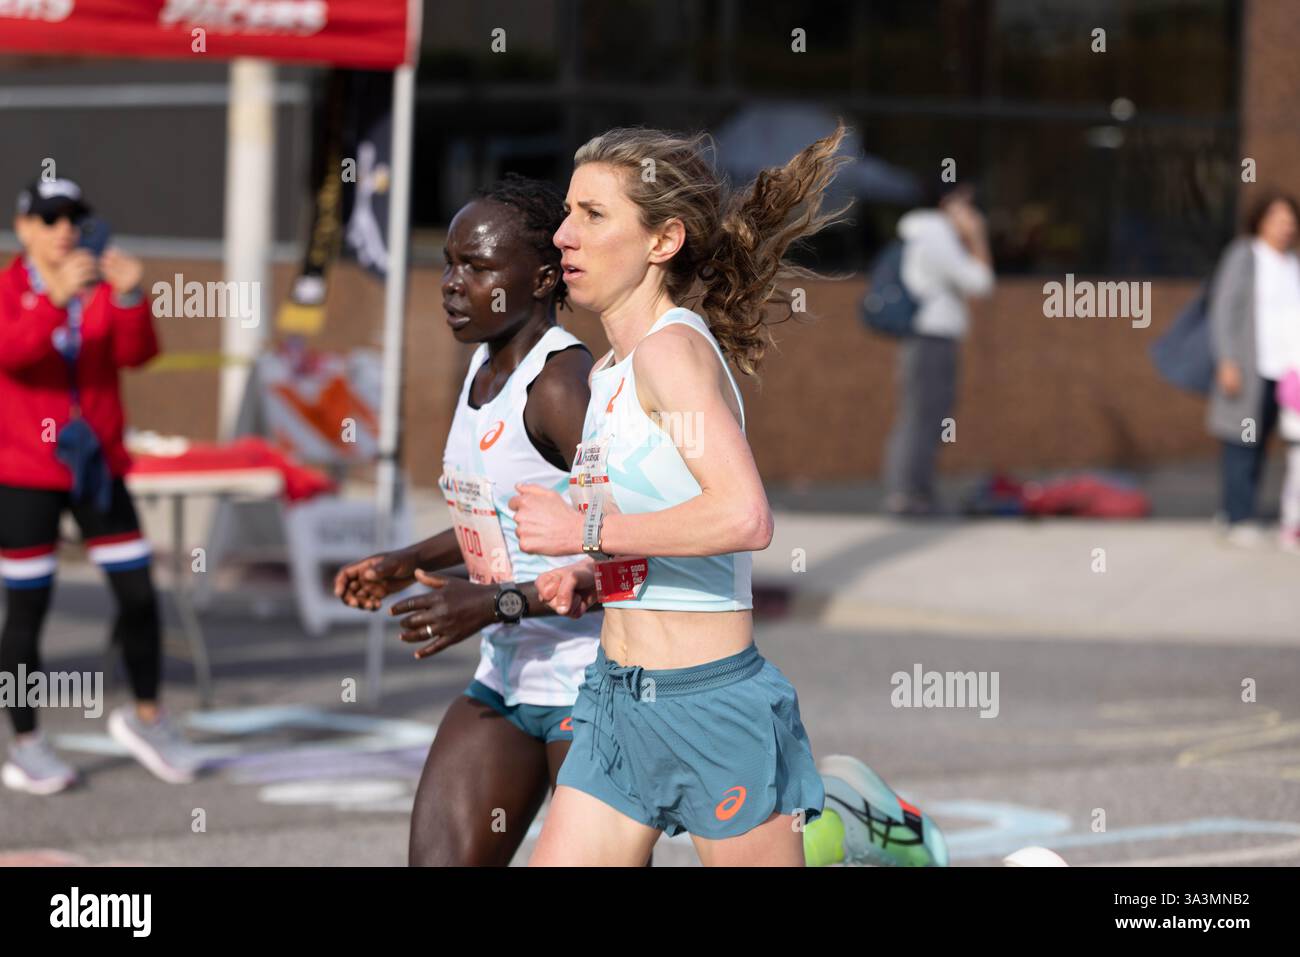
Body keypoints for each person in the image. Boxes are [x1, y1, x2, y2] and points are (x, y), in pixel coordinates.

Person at [507, 124, 853, 866]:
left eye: (593, 216)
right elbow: (656, 526)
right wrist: (595, 575)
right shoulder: (608, 373)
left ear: (663, 240)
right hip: (615, 702)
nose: (564, 234)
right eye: (568, 212)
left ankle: (879, 838)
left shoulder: (672, 352)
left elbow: (744, 515)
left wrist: (585, 532)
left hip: (710, 706)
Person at [332, 175, 606, 866]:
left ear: (543, 277)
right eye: (450, 264)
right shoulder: (486, 366)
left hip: (593, 686)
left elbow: (635, 553)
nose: (454, 284)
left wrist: (493, 603)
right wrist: (404, 561)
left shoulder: (560, 386)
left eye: (478, 267)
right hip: (507, 677)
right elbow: (507, 519)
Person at [0, 177, 202, 794]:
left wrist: (133, 295)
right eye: (51, 217)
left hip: (97, 467)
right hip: (24, 471)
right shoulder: (12, 289)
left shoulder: (96, 288)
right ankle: (27, 742)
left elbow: (138, 354)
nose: (65, 229)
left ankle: (147, 718)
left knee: (139, 596)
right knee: (28, 609)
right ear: (25, 228)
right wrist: (50, 300)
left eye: (74, 217)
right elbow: (11, 353)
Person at [883, 181, 994, 516]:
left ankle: (915, 491)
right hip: (930, 338)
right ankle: (909, 493)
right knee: (923, 415)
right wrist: (976, 236)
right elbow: (981, 282)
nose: (971, 213)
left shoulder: (924, 231)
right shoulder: (934, 232)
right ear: (947, 202)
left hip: (929, 338)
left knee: (926, 414)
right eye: (965, 204)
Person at [1206, 190, 1300, 546]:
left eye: (1290, 220)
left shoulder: (1293, 263)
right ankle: (1237, 516)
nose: (1285, 227)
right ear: (1261, 220)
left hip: (1286, 371)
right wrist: (1227, 359)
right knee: (1242, 441)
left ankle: (1236, 508)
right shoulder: (1244, 255)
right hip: (1249, 367)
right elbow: (1224, 309)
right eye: (1278, 219)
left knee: (1265, 443)